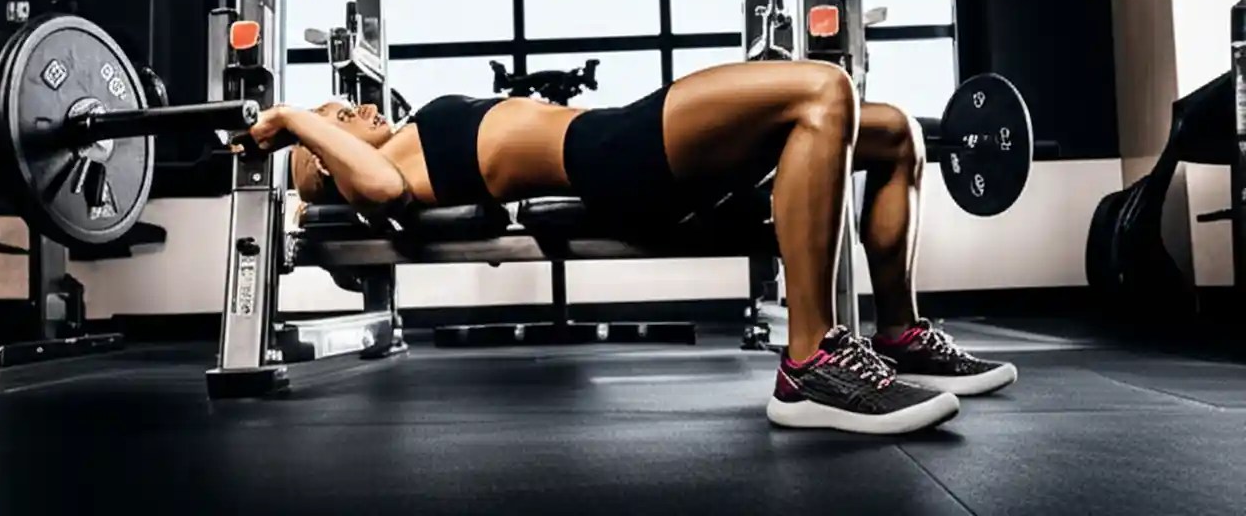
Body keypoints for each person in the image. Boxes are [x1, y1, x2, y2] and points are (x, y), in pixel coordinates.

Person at [250, 60, 1018, 435]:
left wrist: (310, 122)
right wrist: (290, 118)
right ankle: (809, 365)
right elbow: (375, 193)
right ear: (324, 162)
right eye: (337, 116)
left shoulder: (402, 139)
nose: (351, 106)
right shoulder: (376, 175)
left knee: (895, 133)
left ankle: (901, 335)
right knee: (824, 90)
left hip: (622, 138)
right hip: (617, 157)